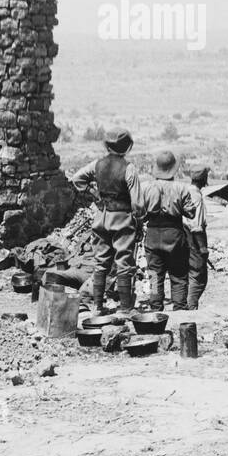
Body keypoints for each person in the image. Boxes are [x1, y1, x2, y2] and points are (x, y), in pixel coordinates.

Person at [70, 128, 142, 316]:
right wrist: (138, 218)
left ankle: (97, 307)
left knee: (101, 263)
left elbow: (77, 178)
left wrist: (94, 195)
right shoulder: (129, 168)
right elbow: (137, 203)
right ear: (127, 147)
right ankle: (126, 309)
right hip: (122, 219)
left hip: (101, 217)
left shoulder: (97, 164)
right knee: (124, 262)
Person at [136, 151, 199, 311]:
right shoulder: (181, 188)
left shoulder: (145, 187)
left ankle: (155, 307)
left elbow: (139, 214)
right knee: (178, 275)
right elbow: (191, 213)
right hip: (174, 234)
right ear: (173, 168)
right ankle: (180, 308)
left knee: (154, 275)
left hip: (152, 234)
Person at [183, 164, 211, 309]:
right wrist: (203, 247)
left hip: (183, 237)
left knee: (188, 276)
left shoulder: (185, 190)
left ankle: (185, 305)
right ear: (204, 179)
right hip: (193, 239)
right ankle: (191, 307)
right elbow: (196, 226)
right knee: (198, 276)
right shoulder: (196, 196)